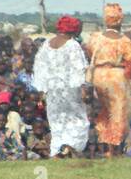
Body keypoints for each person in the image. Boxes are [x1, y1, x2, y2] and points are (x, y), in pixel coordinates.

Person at [33, 15, 91, 159]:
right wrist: (83, 89)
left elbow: (40, 69)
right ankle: (67, 148)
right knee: (77, 121)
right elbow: (79, 69)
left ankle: (58, 151)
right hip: (70, 89)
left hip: (53, 91)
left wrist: (42, 90)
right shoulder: (72, 45)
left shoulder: (46, 44)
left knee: (57, 122)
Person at [84, 4, 131, 154]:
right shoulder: (125, 41)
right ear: (120, 21)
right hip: (117, 77)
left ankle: (104, 144)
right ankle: (114, 147)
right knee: (118, 112)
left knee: (103, 111)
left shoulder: (95, 38)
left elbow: (89, 54)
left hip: (98, 76)